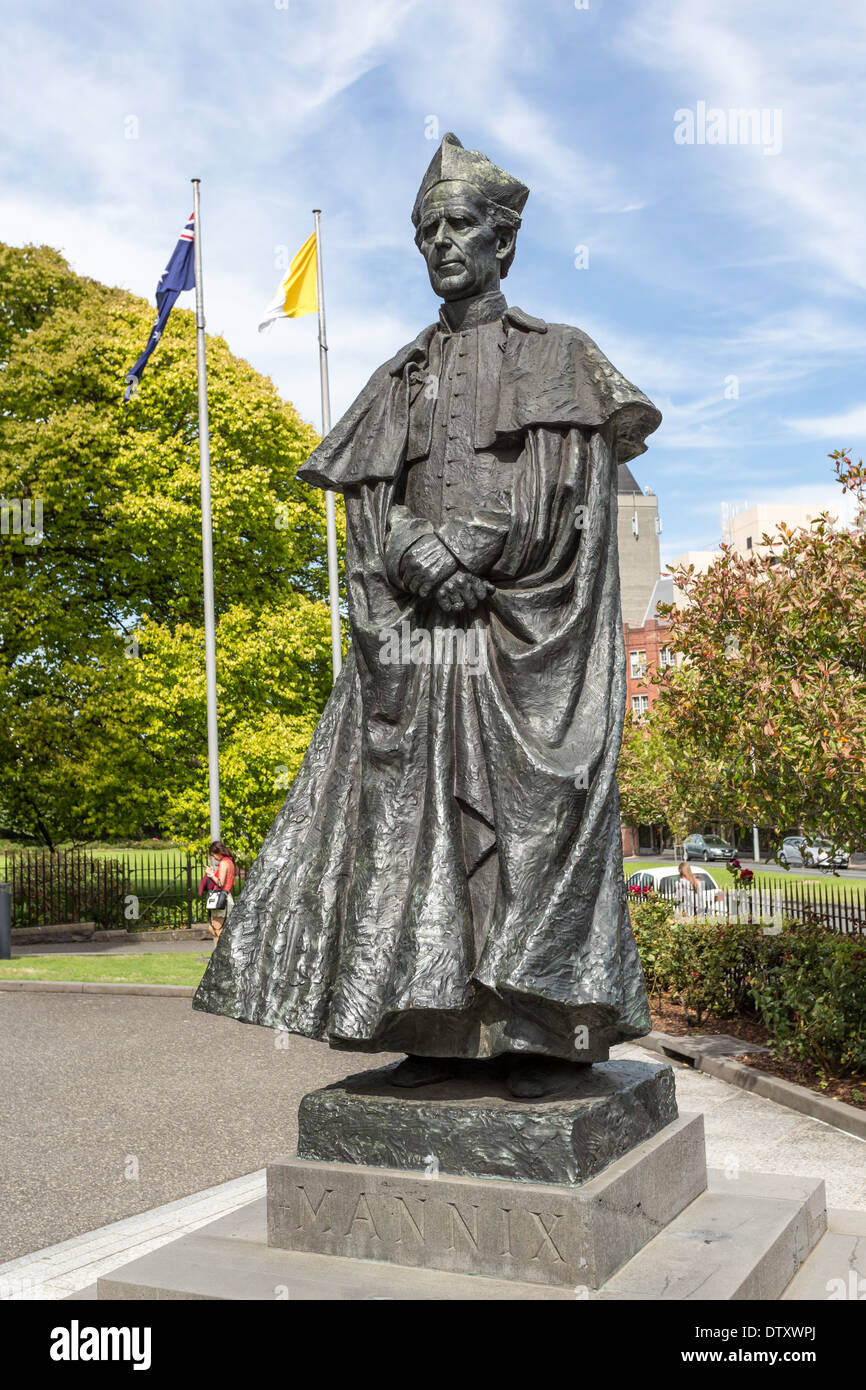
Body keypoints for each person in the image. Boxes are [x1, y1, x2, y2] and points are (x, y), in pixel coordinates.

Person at [194, 133, 661, 1098]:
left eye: (459, 226)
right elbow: (369, 501)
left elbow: (568, 488)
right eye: (428, 231)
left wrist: (472, 556)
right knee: (412, 833)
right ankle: (437, 1030)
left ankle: (542, 1034)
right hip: (417, 635)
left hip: (515, 629)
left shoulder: (560, 356)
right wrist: (412, 553)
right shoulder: (401, 374)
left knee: (533, 824)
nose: (442, 243)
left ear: (504, 241)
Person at [201, 841, 236, 941]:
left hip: (221, 898)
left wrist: (210, 874)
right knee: (212, 928)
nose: (214, 858)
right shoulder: (229, 862)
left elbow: (220, 883)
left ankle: (221, 955)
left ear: (219, 852)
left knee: (217, 930)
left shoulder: (224, 863)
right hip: (226, 897)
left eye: (214, 855)